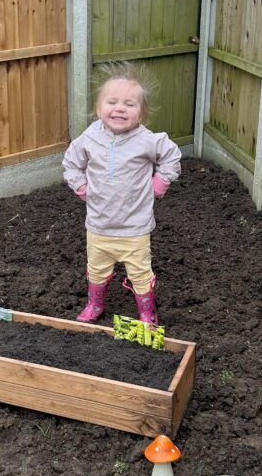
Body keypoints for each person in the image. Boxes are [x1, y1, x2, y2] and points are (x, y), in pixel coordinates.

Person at [63, 62, 181, 325]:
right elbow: (71, 162)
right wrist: (80, 186)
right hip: (99, 225)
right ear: (98, 109)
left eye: (129, 104)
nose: (119, 108)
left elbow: (172, 155)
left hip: (135, 227)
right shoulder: (89, 138)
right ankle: (95, 305)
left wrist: (160, 182)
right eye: (112, 102)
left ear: (142, 113)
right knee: (97, 269)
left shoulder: (147, 140)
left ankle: (147, 313)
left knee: (140, 272)